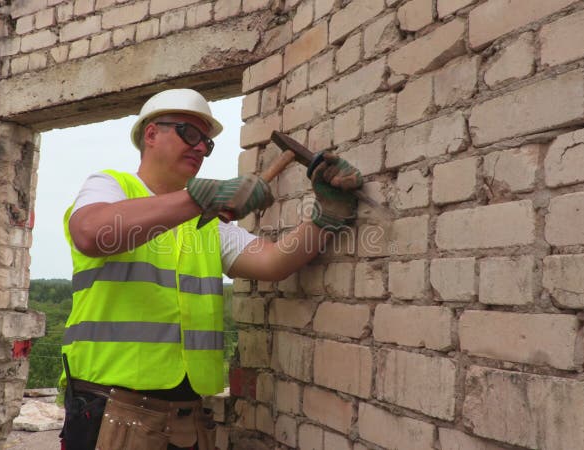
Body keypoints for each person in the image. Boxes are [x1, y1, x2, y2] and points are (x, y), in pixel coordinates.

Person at [59, 88, 363, 450]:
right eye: (189, 134)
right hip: (110, 411)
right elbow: (91, 233)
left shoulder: (205, 226)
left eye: (207, 142)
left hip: (187, 419)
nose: (201, 147)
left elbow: (275, 261)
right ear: (152, 134)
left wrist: (326, 217)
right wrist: (201, 196)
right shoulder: (110, 186)